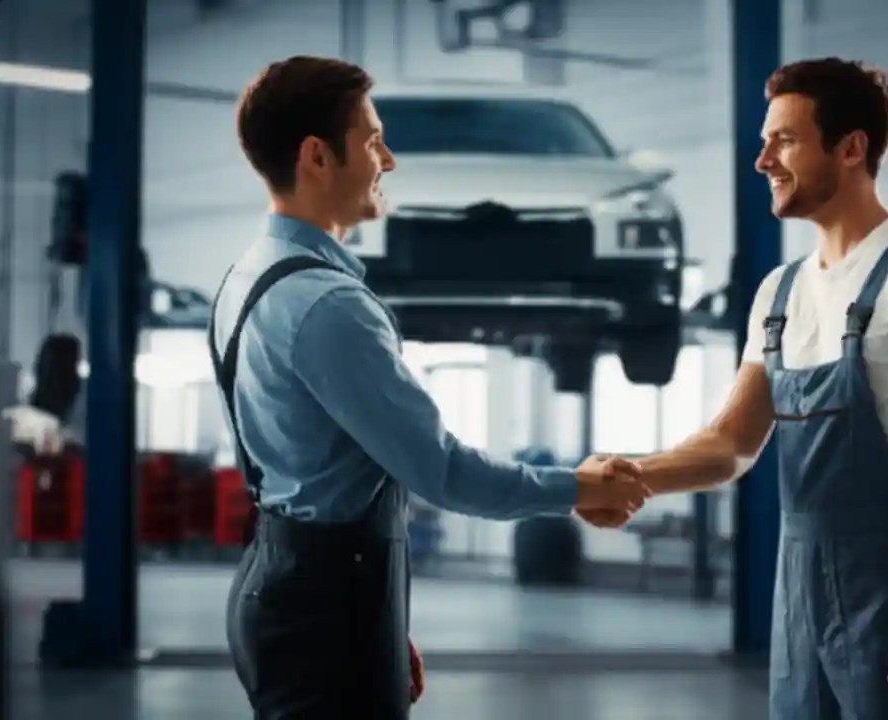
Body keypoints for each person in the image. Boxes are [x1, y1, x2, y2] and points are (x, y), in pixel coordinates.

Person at [211, 55, 650, 719]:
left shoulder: (247, 275)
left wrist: (379, 622)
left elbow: (311, 461)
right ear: (317, 157)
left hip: (290, 585)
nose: (389, 161)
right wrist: (580, 488)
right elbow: (444, 472)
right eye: (373, 142)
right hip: (323, 608)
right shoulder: (329, 304)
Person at [583, 58, 888, 718]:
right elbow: (730, 444)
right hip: (799, 599)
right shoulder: (779, 293)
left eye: (783, 140)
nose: (763, 161)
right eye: (764, 142)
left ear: (851, 148)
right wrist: (632, 475)